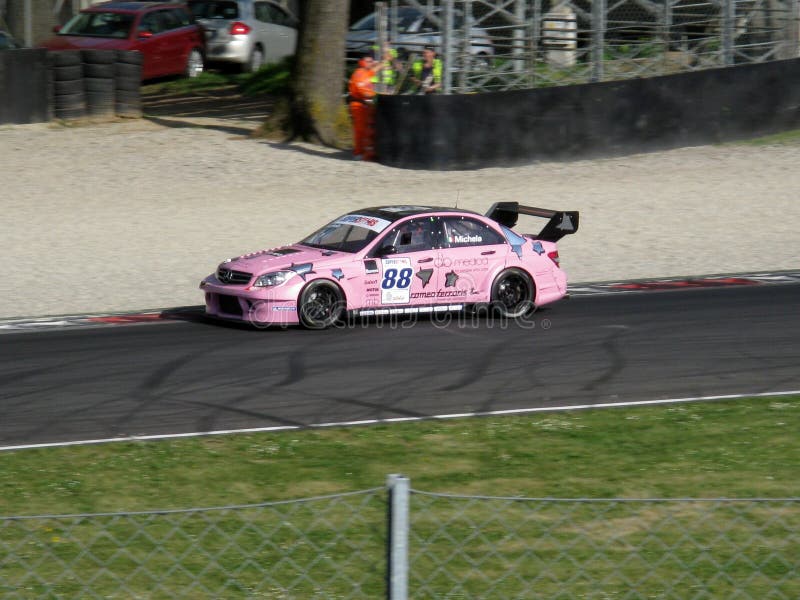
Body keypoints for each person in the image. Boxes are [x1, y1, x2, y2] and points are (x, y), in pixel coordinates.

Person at [348, 52, 381, 161]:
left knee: (368, 130)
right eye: (368, 61)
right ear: (362, 62)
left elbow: (375, 70)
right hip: (358, 105)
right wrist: (375, 95)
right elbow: (362, 91)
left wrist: (385, 61)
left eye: (371, 61)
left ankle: (366, 153)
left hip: (366, 105)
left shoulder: (367, 72)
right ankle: (358, 152)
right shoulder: (359, 73)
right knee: (360, 130)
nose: (371, 63)